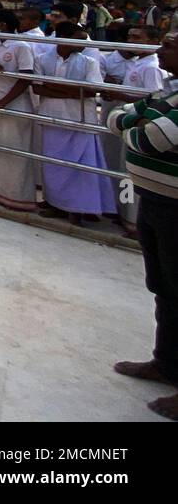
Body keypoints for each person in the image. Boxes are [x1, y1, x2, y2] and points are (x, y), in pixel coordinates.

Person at [108, 28, 178, 421]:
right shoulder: (168, 94)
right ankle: (165, 362)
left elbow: (150, 137)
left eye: (168, 45)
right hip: (156, 200)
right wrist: (142, 121)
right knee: (164, 287)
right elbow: (117, 118)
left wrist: (139, 123)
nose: (158, 50)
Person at [31, 22, 116, 225]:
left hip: (81, 119)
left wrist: (57, 87)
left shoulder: (89, 62)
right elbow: (38, 88)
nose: (83, 43)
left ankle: (79, 209)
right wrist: (71, 91)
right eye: (79, 38)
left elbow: (90, 91)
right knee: (54, 164)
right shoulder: (42, 59)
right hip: (52, 116)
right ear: (63, 38)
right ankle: (55, 203)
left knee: (81, 166)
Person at [101, 26, 166, 235]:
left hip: (139, 126)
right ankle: (124, 212)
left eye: (137, 37)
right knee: (124, 170)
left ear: (153, 41)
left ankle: (134, 222)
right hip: (128, 124)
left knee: (133, 177)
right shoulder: (139, 62)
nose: (131, 40)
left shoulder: (152, 67)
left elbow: (154, 100)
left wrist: (120, 96)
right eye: (129, 36)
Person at [0, 9, 39, 211]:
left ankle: (16, 196)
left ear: (2, 25)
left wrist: (3, 102)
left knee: (15, 151)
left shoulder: (21, 46)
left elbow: (26, 78)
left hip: (13, 103)